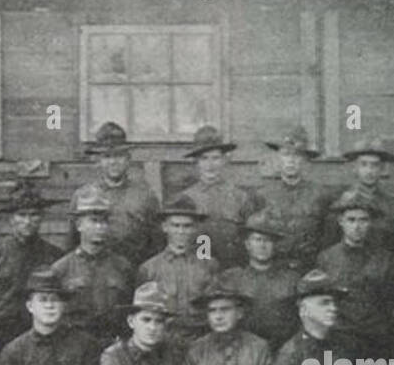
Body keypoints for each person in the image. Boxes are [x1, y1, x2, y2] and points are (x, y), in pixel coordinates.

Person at [0, 182, 62, 350]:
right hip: (1, 337)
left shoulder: (54, 256)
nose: (27, 221)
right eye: (22, 215)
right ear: (12, 218)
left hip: (41, 337)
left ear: (41, 217)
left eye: (34, 215)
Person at [318, 187, 394, 359]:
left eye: (363, 220)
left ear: (370, 223)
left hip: (377, 341)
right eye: (351, 220)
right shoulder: (326, 258)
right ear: (340, 221)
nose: (357, 226)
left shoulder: (386, 259)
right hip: (340, 341)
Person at [51, 184, 137, 341]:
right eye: (93, 221)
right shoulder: (61, 269)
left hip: (112, 345)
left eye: (104, 222)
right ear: (79, 225)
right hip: (74, 347)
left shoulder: (123, 267)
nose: (100, 227)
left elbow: (131, 315)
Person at [137, 195, 221, 350]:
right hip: (164, 343)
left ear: (195, 228)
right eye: (175, 226)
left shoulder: (209, 265)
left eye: (187, 226)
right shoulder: (149, 268)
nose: (181, 231)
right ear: (165, 227)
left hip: (201, 342)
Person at [72, 121, 161, 265]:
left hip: (134, 271)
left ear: (128, 159)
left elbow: (157, 244)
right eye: (107, 157)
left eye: (119, 156)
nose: (113, 162)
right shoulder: (83, 196)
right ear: (99, 160)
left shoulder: (145, 196)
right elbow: (73, 242)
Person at [174, 125, 261, 268]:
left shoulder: (240, 197)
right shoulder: (185, 199)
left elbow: (252, 239)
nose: (210, 165)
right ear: (196, 162)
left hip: (233, 271)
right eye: (204, 158)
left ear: (224, 160)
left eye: (215, 158)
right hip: (197, 273)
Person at [255, 125, 330, 270]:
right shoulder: (263, 195)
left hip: (308, 267)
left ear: (304, 160)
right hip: (274, 268)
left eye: (297, 155)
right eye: (285, 154)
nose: (291, 160)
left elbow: (328, 238)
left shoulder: (320, 195)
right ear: (277, 158)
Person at [224, 210, 300, 350]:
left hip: (282, 349)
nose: (263, 245)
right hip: (243, 351)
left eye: (269, 240)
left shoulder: (291, 279)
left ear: (275, 245)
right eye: (258, 239)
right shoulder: (233, 279)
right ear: (247, 244)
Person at [325, 136, 394, 254]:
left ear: (382, 169)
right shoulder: (341, 203)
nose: (369, 171)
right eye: (364, 165)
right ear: (355, 168)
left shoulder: (392, 206)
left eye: (375, 165)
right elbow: (331, 246)